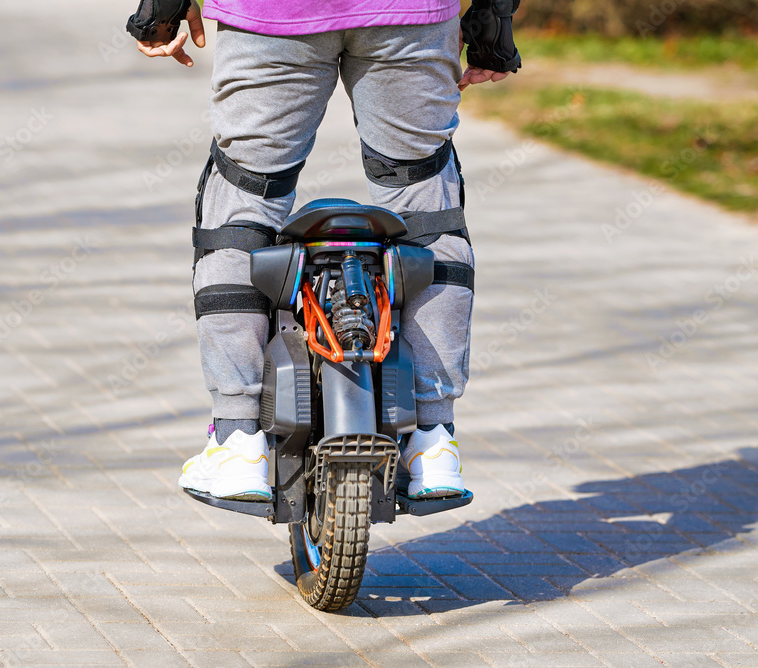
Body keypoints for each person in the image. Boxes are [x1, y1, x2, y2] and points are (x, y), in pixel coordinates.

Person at [128, 0, 520, 501]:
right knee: (429, 210)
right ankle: (433, 441)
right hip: (407, 17)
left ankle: (239, 440)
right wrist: (493, 20)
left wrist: (160, 11)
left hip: (272, 16)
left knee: (242, 204)